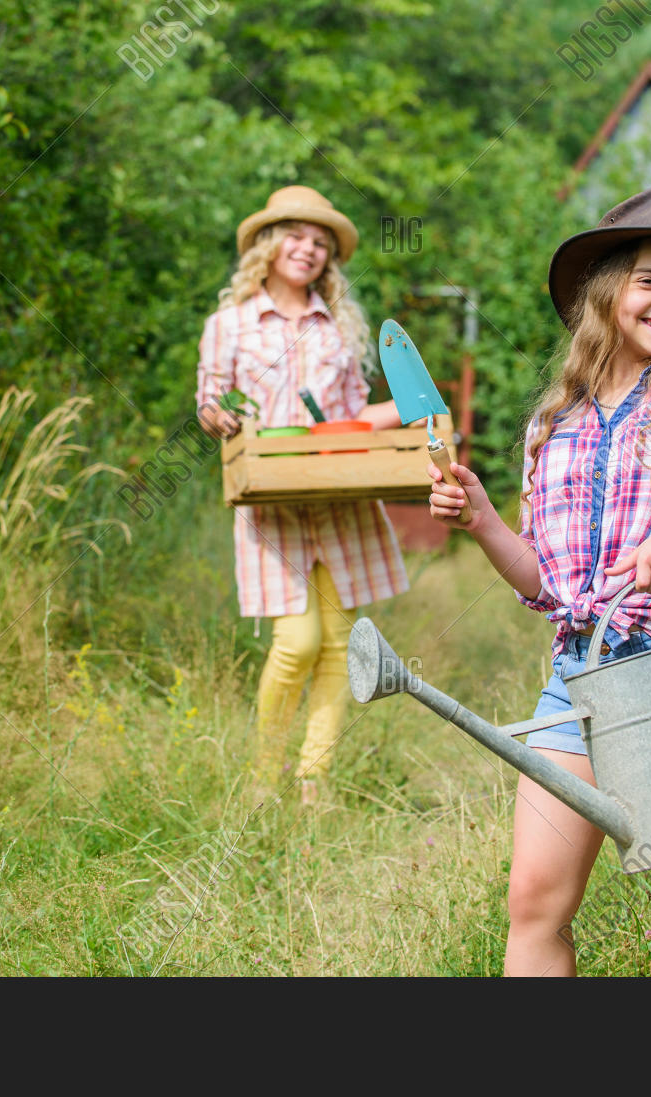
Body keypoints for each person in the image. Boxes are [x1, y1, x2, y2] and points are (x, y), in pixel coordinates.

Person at [427, 185, 651, 976]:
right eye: (649, 281)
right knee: (534, 902)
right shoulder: (553, 426)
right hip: (575, 679)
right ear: (607, 292)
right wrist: (483, 521)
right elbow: (545, 585)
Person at [197, 185, 408, 806]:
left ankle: (314, 781)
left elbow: (349, 416)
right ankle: (264, 780)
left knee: (340, 645)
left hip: (339, 498)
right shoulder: (230, 324)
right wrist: (216, 416)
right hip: (273, 500)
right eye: (296, 236)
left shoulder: (337, 325)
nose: (308, 249)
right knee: (297, 643)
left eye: (320, 243)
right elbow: (210, 397)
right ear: (268, 245)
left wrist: (410, 407)